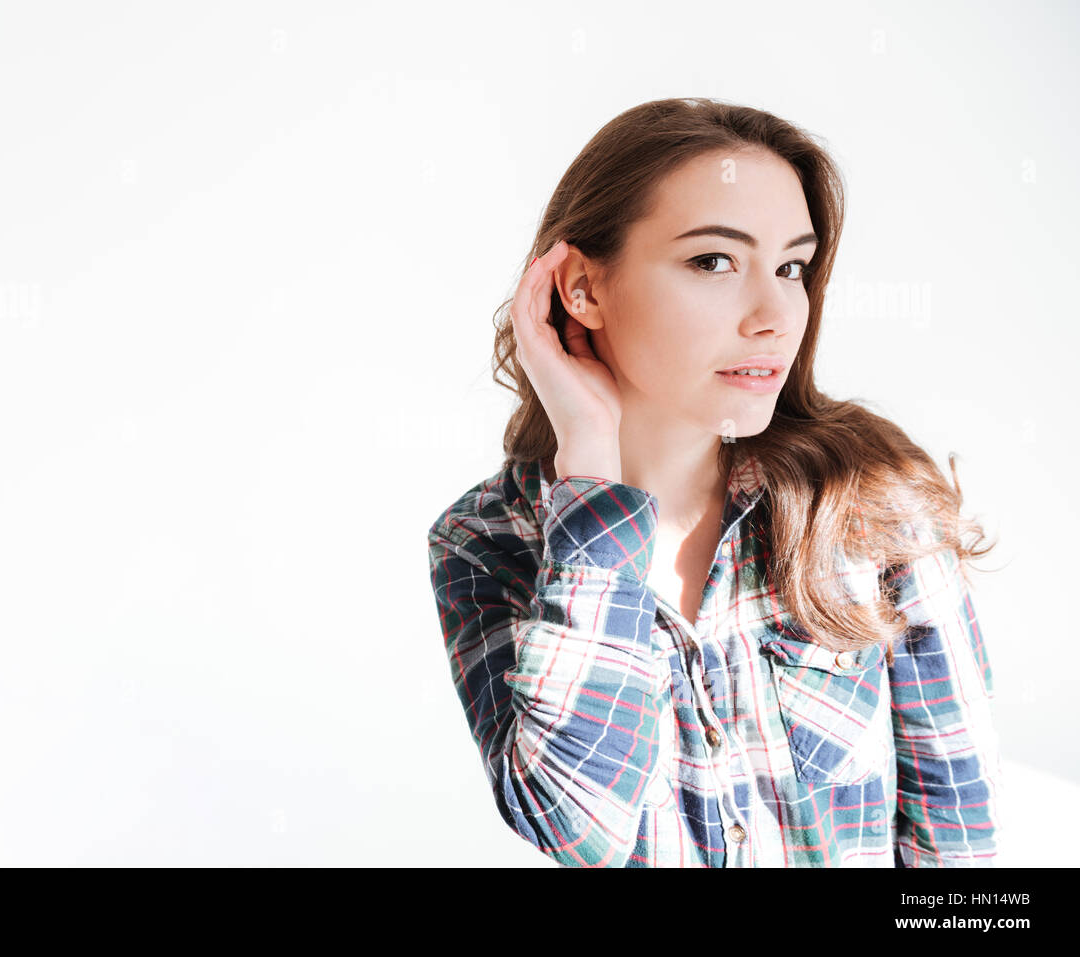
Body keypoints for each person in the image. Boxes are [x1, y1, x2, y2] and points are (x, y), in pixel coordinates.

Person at [424, 97, 1003, 868]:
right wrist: (593, 472)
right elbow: (576, 824)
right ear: (582, 288)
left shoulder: (874, 501)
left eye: (792, 267)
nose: (775, 316)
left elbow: (958, 851)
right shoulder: (485, 543)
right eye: (714, 261)